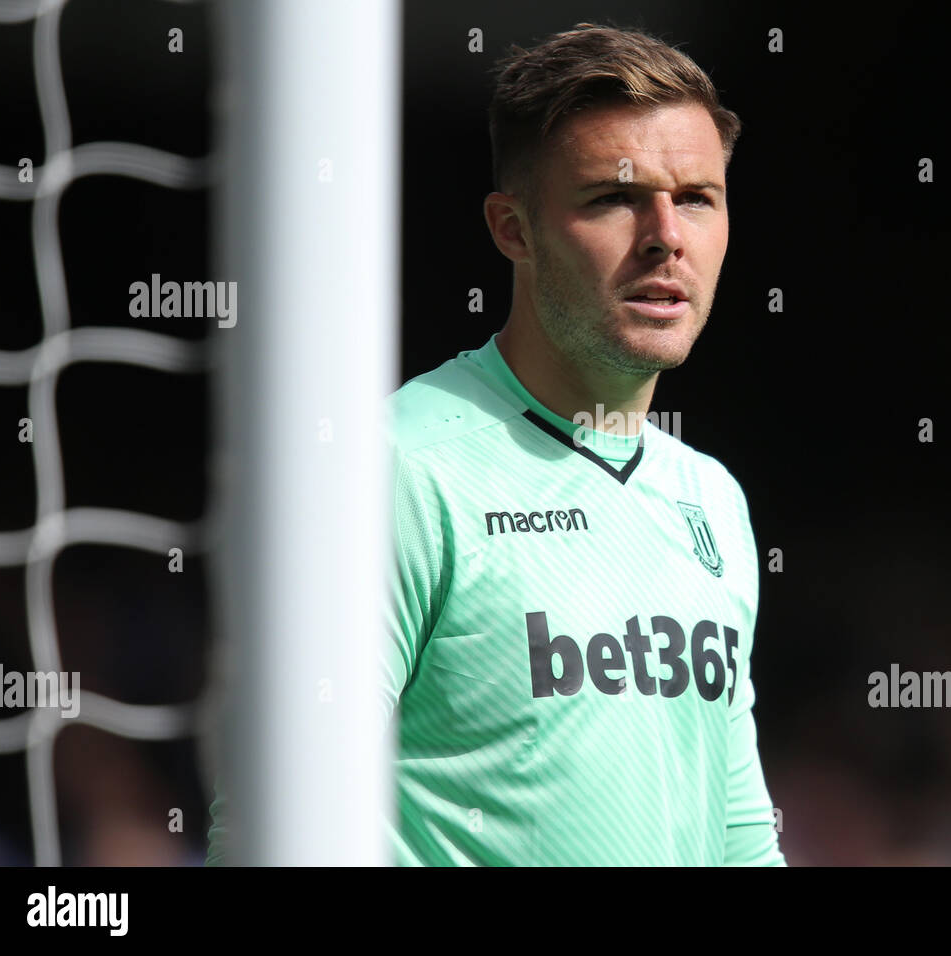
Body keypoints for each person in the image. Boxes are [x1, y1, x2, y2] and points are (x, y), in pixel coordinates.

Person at [209, 21, 784, 866]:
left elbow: (739, 837)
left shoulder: (713, 501)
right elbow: (272, 827)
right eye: (614, 198)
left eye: (696, 196)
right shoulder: (393, 472)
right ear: (512, 229)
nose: (666, 234)